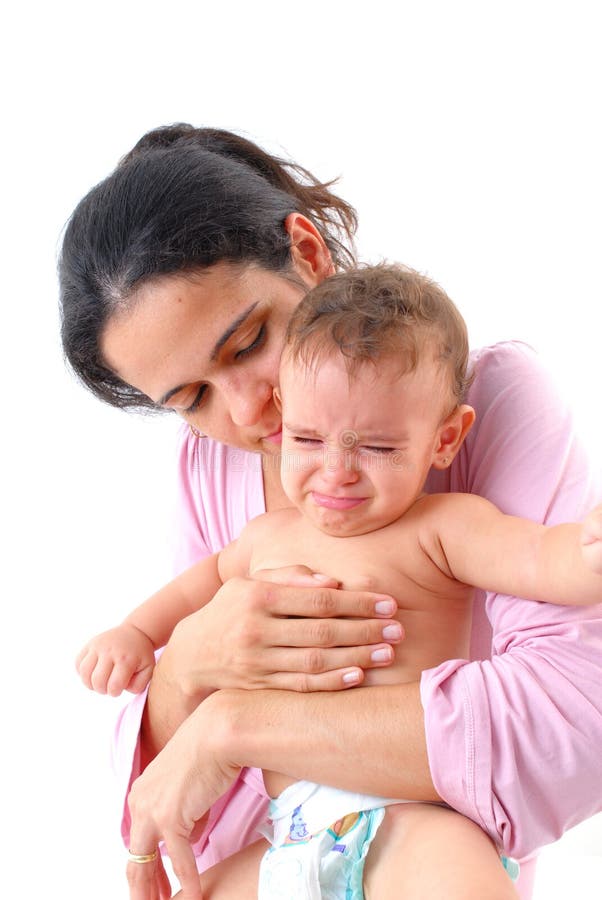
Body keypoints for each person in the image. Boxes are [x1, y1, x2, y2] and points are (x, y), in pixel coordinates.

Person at [59, 124, 602, 900]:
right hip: (288, 842)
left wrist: (229, 724)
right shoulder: (209, 471)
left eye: (249, 342)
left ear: (308, 254)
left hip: (421, 839)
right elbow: (180, 805)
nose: (249, 410)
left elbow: (580, 721)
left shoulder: (488, 406)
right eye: (190, 399)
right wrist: (183, 670)